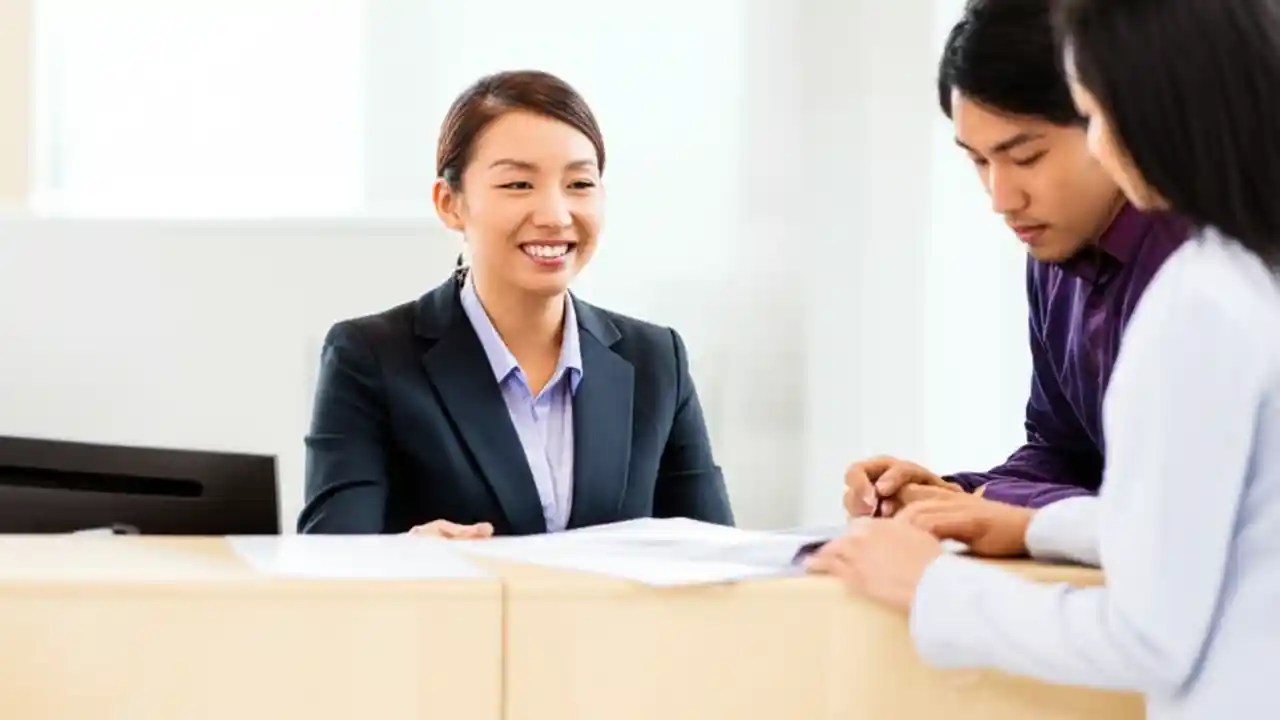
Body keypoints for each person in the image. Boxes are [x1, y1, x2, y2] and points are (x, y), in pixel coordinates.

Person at [810, 0, 1280, 716]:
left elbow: (1152, 633)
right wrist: (998, 509)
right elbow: (1208, 518)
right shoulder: (1238, 270)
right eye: (976, 161)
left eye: (1097, 115)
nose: (1000, 196)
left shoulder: (1199, 295)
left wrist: (934, 586)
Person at [298, 70, 734, 536]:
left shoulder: (654, 359)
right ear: (450, 203)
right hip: (451, 609)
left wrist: (805, 561)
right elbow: (334, 564)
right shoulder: (370, 357)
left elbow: (717, 555)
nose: (555, 215)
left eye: (580, 184)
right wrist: (405, 556)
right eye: (518, 185)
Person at [843, 0, 1190, 533]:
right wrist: (948, 495)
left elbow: (1175, 516)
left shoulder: (1204, 267)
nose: (1001, 198)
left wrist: (992, 500)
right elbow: (1064, 453)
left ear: (1109, 121)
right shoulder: (1055, 253)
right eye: (979, 160)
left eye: (1026, 157)